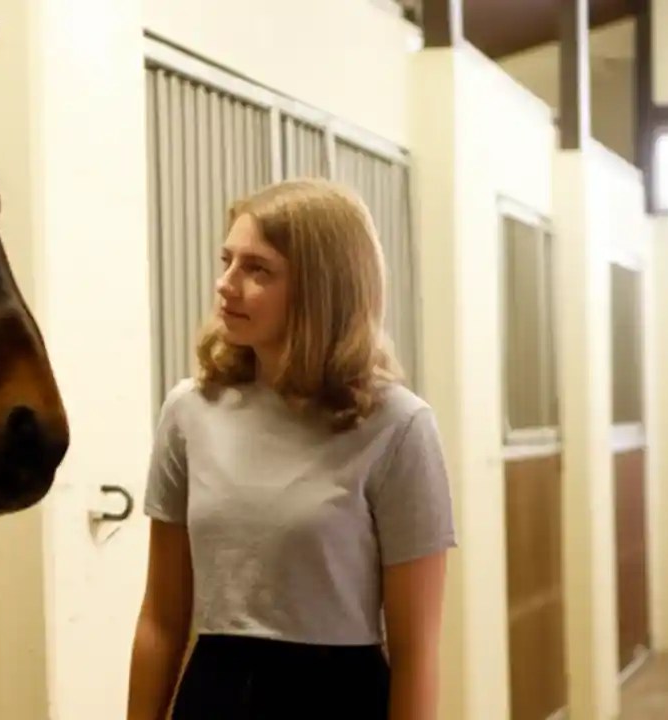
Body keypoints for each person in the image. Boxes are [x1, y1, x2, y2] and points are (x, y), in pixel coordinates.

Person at [126, 178, 456, 719]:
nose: (226, 284)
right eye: (227, 260)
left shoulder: (399, 427)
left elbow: (417, 651)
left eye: (258, 270)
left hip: (338, 697)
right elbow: (161, 619)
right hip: (215, 693)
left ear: (321, 290)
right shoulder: (189, 412)